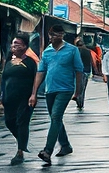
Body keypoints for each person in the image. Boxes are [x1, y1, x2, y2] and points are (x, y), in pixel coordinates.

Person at [33, 24, 87, 165]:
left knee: (56, 116)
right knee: (55, 119)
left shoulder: (72, 50)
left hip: (66, 89)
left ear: (62, 35)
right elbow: (40, 72)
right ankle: (66, 145)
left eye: (56, 35)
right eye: (51, 35)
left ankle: (47, 151)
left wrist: (78, 91)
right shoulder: (47, 52)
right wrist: (34, 93)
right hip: (50, 89)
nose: (53, 38)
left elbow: (79, 71)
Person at [0, 32, 41, 164]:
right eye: (13, 43)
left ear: (24, 46)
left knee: (22, 122)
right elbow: (4, 78)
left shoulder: (30, 62)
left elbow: (36, 79)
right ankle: (22, 141)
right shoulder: (9, 60)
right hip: (9, 97)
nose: (13, 46)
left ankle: (20, 152)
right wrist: (2, 95)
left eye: (17, 44)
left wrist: (33, 95)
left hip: (25, 97)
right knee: (9, 121)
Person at [73, 35, 93, 112]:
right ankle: (81, 103)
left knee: (78, 87)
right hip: (86, 71)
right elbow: (91, 62)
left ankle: (79, 102)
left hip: (78, 71)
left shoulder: (75, 51)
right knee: (83, 88)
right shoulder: (88, 51)